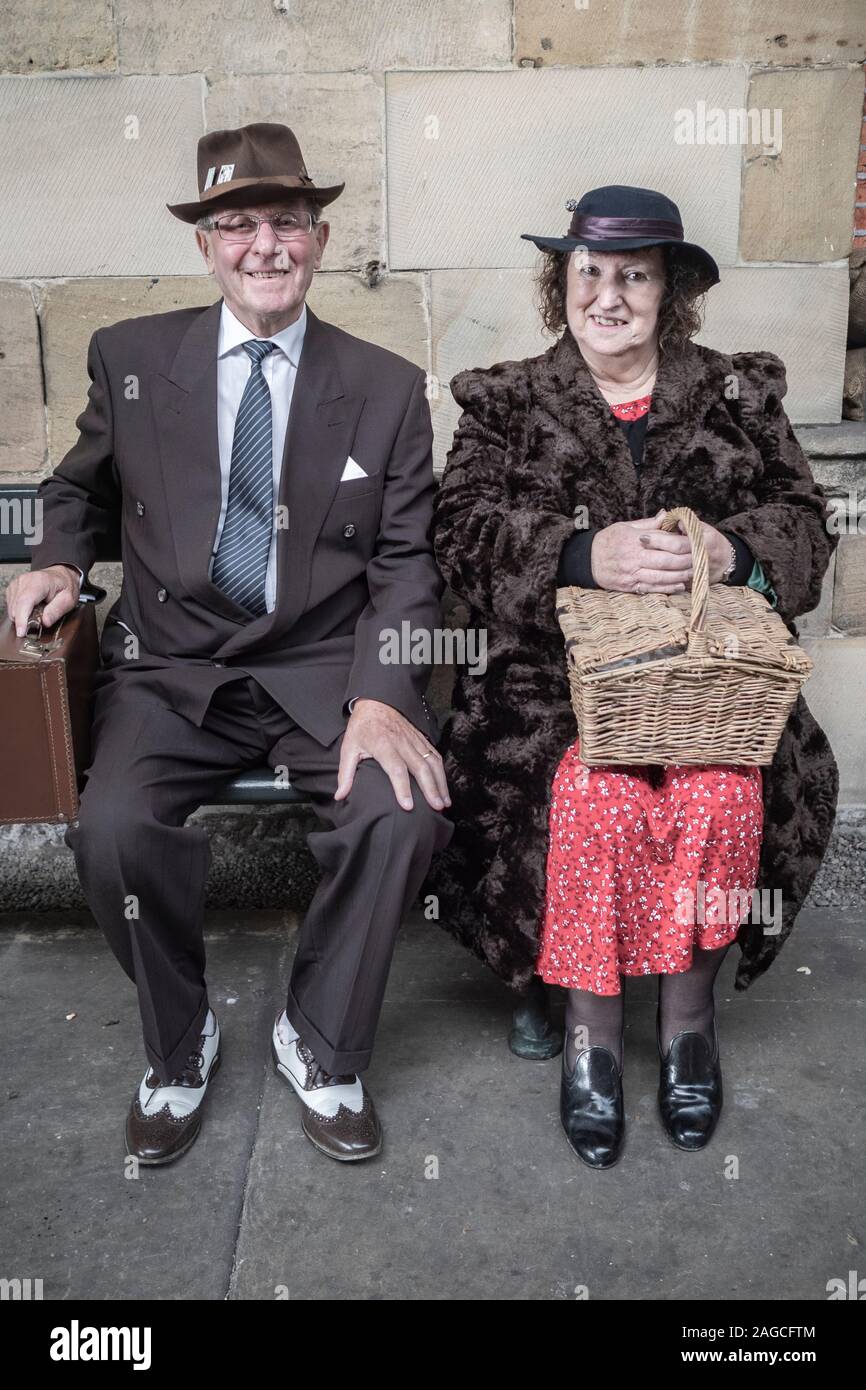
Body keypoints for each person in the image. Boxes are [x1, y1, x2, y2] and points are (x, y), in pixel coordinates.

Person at [6, 122, 453, 1166]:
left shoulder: (384, 389)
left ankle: (321, 1036)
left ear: (320, 237)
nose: (264, 244)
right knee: (111, 828)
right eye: (237, 223)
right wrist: (61, 565)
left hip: (321, 669)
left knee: (402, 814)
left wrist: (383, 696)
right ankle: (178, 1038)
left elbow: (403, 563)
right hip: (171, 668)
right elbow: (78, 489)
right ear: (206, 245)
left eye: (285, 222)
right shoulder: (130, 358)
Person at [424, 185, 839, 1168]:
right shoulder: (509, 400)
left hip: (713, 686)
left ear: (670, 292)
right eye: (589, 273)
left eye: (633, 276)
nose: (607, 296)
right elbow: (457, 538)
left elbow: (806, 533)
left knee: (718, 794)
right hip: (555, 690)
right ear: (559, 283)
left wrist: (731, 552)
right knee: (594, 797)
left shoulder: (736, 392)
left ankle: (686, 1026)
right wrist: (578, 555)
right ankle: (591, 1036)